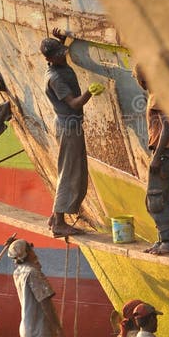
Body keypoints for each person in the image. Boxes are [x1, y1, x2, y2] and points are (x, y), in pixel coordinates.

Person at [41, 28, 105, 237]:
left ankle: (55, 217)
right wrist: (89, 92)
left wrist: (61, 40)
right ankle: (59, 223)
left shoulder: (57, 64)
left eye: (63, 52)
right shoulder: (55, 78)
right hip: (69, 127)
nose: (64, 55)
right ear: (50, 59)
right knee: (69, 172)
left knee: (67, 170)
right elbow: (75, 103)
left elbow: (59, 55)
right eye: (60, 54)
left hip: (69, 125)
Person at [134, 65, 169, 255]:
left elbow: (168, 127)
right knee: (163, 199)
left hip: (164, 154)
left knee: (154, 201)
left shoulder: (157, 97)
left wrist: (156, 157)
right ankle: (164, 239)